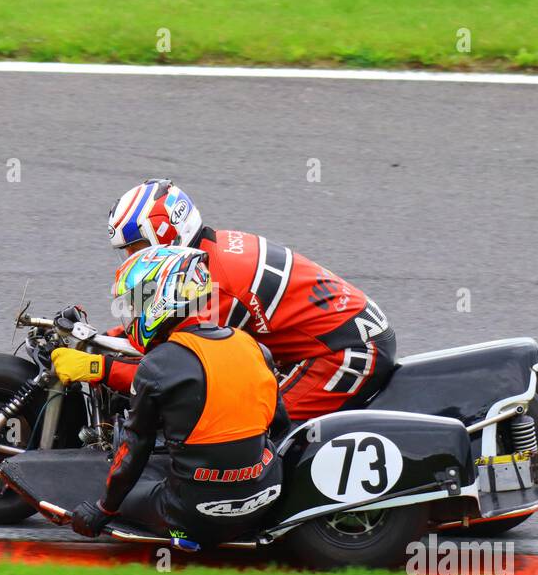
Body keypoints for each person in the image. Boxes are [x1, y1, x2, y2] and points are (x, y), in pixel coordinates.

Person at [53, 178, 396, 420]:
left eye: (136, 246)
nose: (130, 255)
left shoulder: (216, 282)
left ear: (167, 231)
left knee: (257, 427)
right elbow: (148, 324)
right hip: (328, 335)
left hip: (347, 351)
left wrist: (99, 367)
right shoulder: (203, 254)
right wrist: (95, 338)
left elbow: (173, 371)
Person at [59, 246, 288, 545]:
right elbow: (281, 425)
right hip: (264, 498)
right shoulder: (254, 347)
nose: (131, 313)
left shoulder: (157, 365)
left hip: (193, 514)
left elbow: (134, 450)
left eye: (136, 302)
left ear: (162, 297)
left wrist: (104, 508)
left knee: (110, 478)